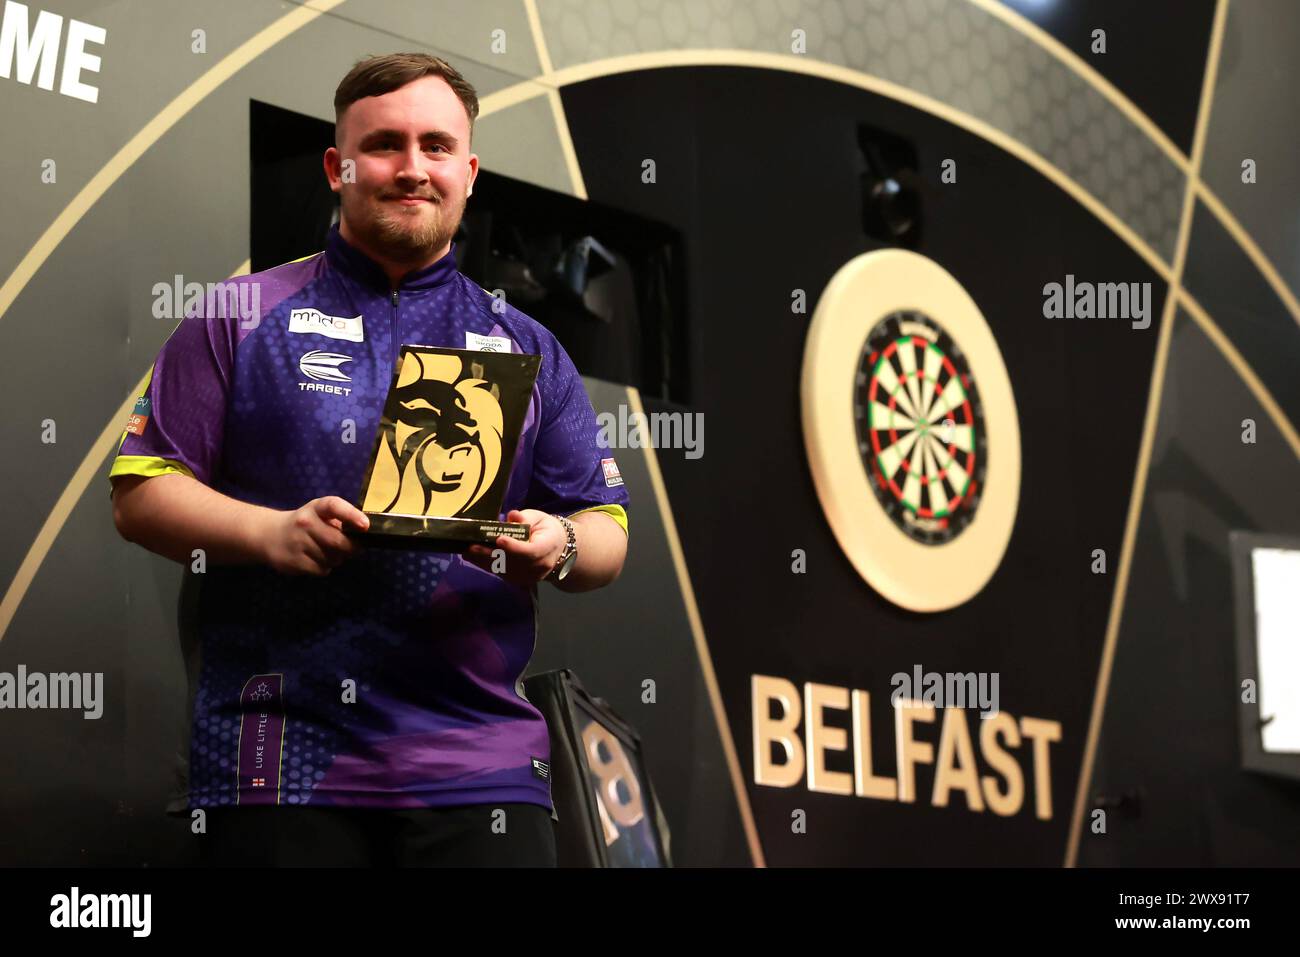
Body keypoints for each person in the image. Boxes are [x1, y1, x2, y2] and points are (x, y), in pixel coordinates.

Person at [109, 52, 630, 867]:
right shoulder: (239, 315)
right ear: (336, 166)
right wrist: (270, 533)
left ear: (469, 169)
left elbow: (605, 531)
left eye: (436, 146)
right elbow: (141, 490)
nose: (412, 168)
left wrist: (557, 544)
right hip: (277, 756)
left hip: (479, 765)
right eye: (385, 144)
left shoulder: (531, 348)